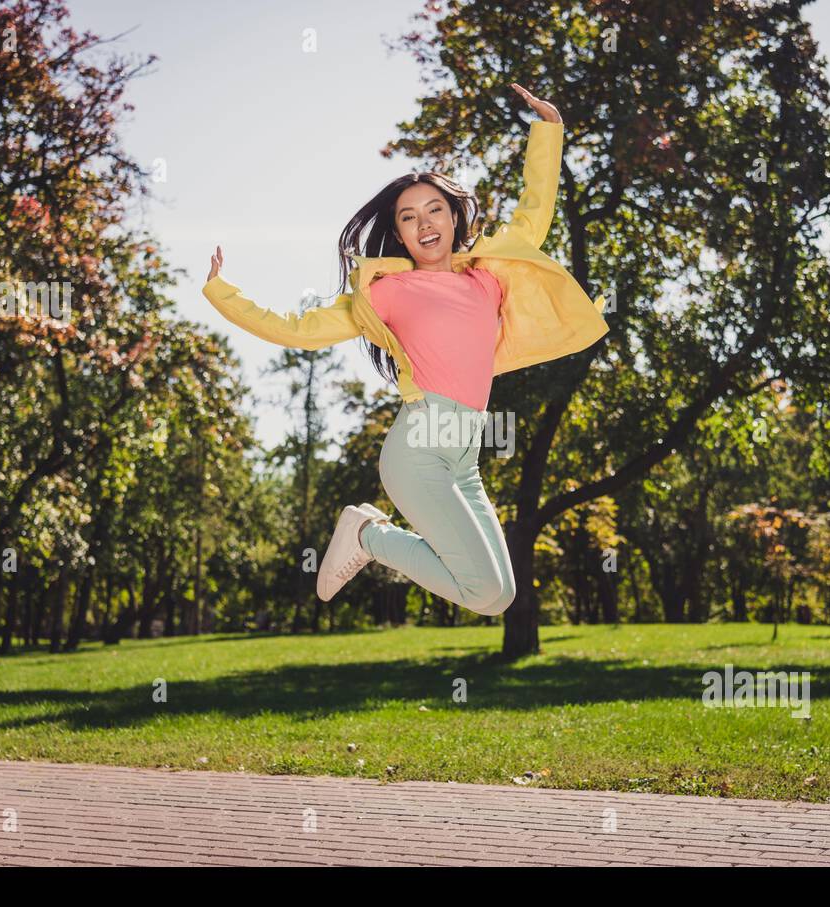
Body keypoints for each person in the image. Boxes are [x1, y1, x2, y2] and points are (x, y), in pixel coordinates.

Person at [203, 83, 608, 614]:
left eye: (434, 209)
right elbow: (297, 329)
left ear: (454, 217)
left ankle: (371, 535)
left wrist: (548, 129)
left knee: (500, 595)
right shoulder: (388, 292)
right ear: (399, 234)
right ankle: (370, 536)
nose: (424, 223)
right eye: (409, 217)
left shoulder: (487, 276)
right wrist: (221, 291)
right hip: (418, 450)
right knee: (484, 592)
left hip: (464, 458)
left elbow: (532, 214)